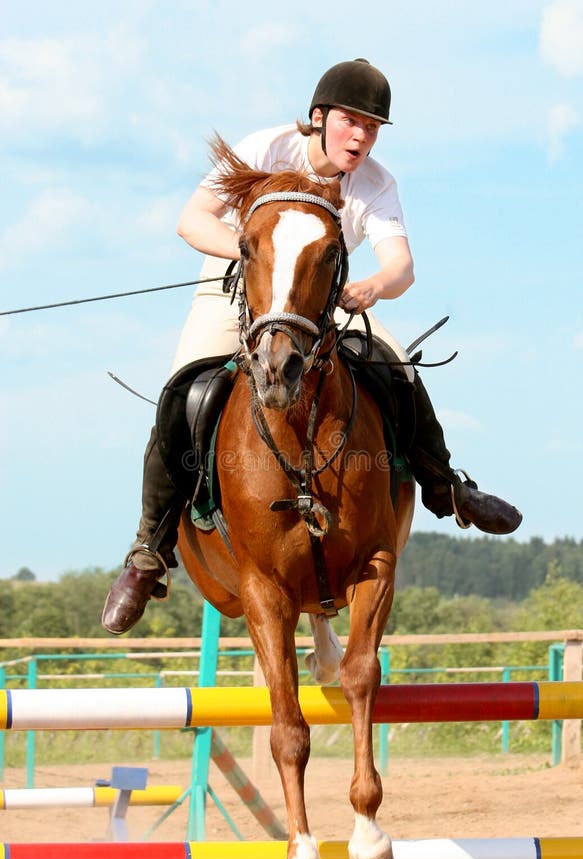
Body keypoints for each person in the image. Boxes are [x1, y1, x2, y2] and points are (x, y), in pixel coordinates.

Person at [102, 59, 522, 635]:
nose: (362, 137)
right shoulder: (266, 148)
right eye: (352, 122)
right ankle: (149, 548)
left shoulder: (376, 184)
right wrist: (253, 257)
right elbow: (191, 221)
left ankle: (446, 486)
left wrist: (372, 286)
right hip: (240, 291)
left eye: (373, 128)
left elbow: (401, 265)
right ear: (319, 118)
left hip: (320, 306)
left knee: (395, 368)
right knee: (184, 393)